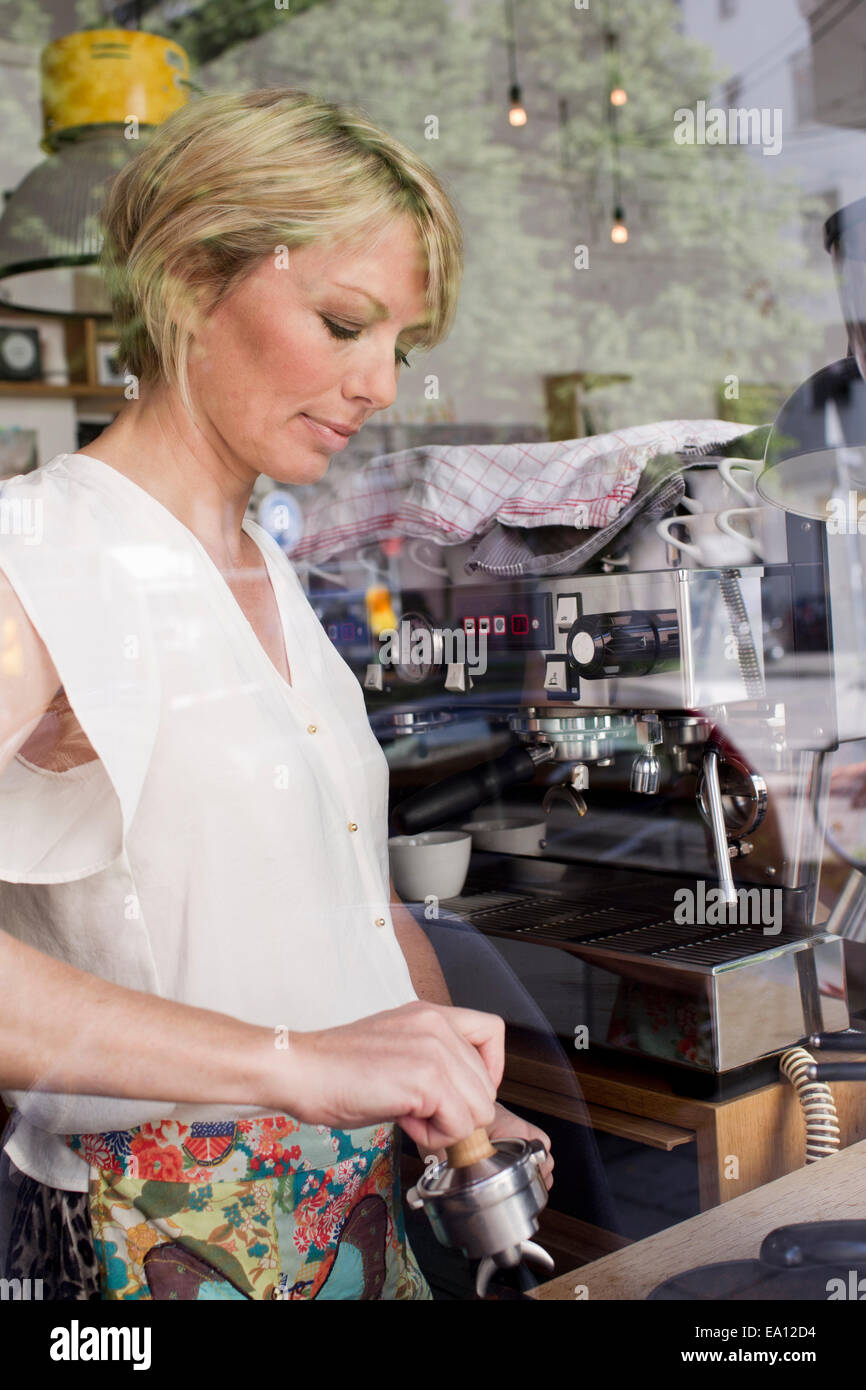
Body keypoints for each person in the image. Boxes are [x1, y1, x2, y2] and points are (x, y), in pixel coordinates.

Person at [0, 88, 552, 1302]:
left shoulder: (273, 577)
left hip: (351, 1214)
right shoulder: (38, 554)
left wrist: (462, 1105)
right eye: (344, 322)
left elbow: (349, 902)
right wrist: (296, 1062)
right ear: (192, 281)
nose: (380, 387)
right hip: (156, 1230)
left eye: (397, 347)